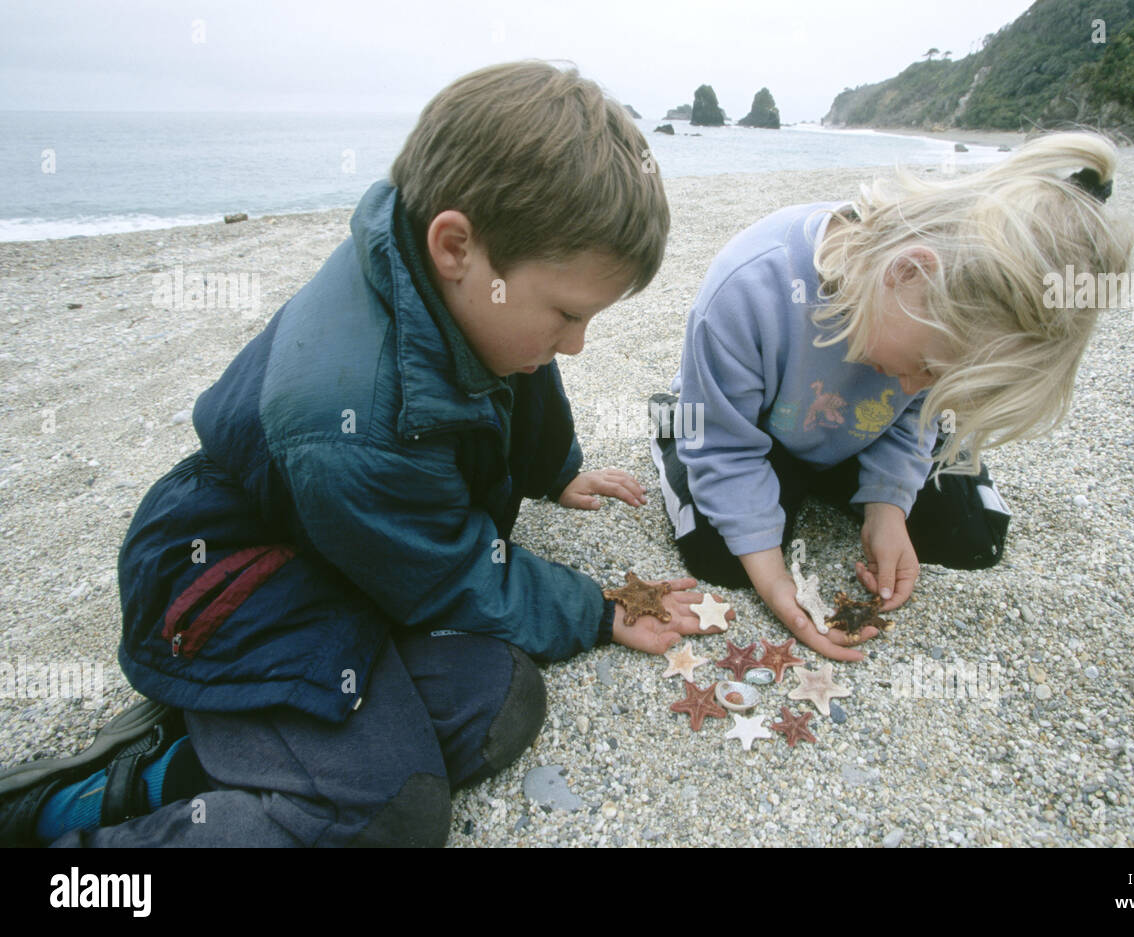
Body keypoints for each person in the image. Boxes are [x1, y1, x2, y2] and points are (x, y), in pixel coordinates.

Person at [0, 61, 715, 848]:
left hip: (339, 559)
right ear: (457, 246)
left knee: (497, 696)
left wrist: (556, 469)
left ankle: (202, 758)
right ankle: (82, 825)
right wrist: (601, 608)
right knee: (386, 813)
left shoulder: (450, 285)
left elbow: (525, 380)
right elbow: (453, 572)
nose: (575, 345)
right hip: (226, 584)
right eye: (568, 315)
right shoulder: (360, 417)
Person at [650, 132, 1134, 664]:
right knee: (722, 557)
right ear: (907, 272)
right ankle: (669, 425)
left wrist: (888, 505)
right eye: (929, 367)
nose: (914, 387)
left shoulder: (920, 339)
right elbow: (725, 450)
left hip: (860, 430)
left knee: (974, 538)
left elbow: (914, 411)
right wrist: (777, 589)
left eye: (941, 383)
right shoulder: (749, 288)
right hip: (743, 431)